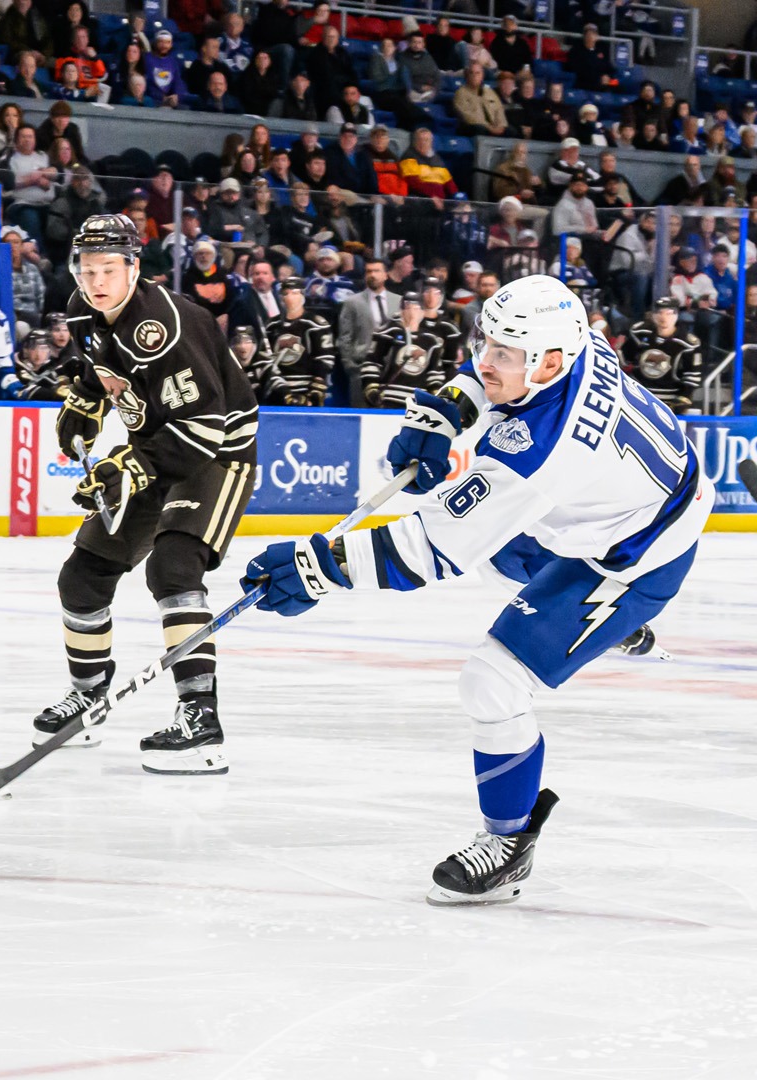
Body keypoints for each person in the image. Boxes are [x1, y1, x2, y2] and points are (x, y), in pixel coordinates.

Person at [241, 275, 709, 905]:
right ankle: (615, 628)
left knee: (491, 681)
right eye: (486, 341)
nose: (486, 359)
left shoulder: (542, 452)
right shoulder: (571, 343)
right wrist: (447, 413)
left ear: (549, 361)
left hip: (632, 559)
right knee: (501, 555)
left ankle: (508, 842)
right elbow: (485, 373)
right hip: (601, 512)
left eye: (503, 355)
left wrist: (317, 564)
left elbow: (426, 553)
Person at [37, 214, 259, 773]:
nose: (96, 280)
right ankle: (88, 697)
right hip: (157, 448)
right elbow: (99, 367)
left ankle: (200, 722)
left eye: (109, 268)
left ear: (134, 267)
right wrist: (83, 404)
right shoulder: (84, 311)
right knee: (82, 576)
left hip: (216, 453)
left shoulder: (165, 326)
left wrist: (127, 467)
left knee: (174, 570)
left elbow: (202, 429)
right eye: (88, 269)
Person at [360, 293, 453, 410]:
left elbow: (435, 373)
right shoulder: (387, 333)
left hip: (417, 402)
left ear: (423, 312)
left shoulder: (431, 341)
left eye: (416, 308)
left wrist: (435, 396)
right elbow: (372, 362)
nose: (412, 312)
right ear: (401, 310)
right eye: (408, 307)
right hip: (388, 399)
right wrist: (371, 388)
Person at [259, 279, 337, 406]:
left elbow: (325, 358)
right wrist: (282, 390)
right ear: (280, 297)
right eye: (286, 293)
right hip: (276, 390)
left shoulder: (316, 323)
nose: (289, 297)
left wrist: (316, 388)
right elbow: (264, 360)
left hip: (307, 390)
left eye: (294, 293)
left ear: (303, 296)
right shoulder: (271, 325)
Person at [620, 298, 703, 413]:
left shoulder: (688, 343)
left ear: (676, 315)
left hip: (669, 401)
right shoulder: (639, 333)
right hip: (639, 397)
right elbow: (624, 359)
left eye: (669, 313)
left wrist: (681, 402)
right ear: (653, 315)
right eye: (659, 313)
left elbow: (692, 376)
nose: (663, 318)